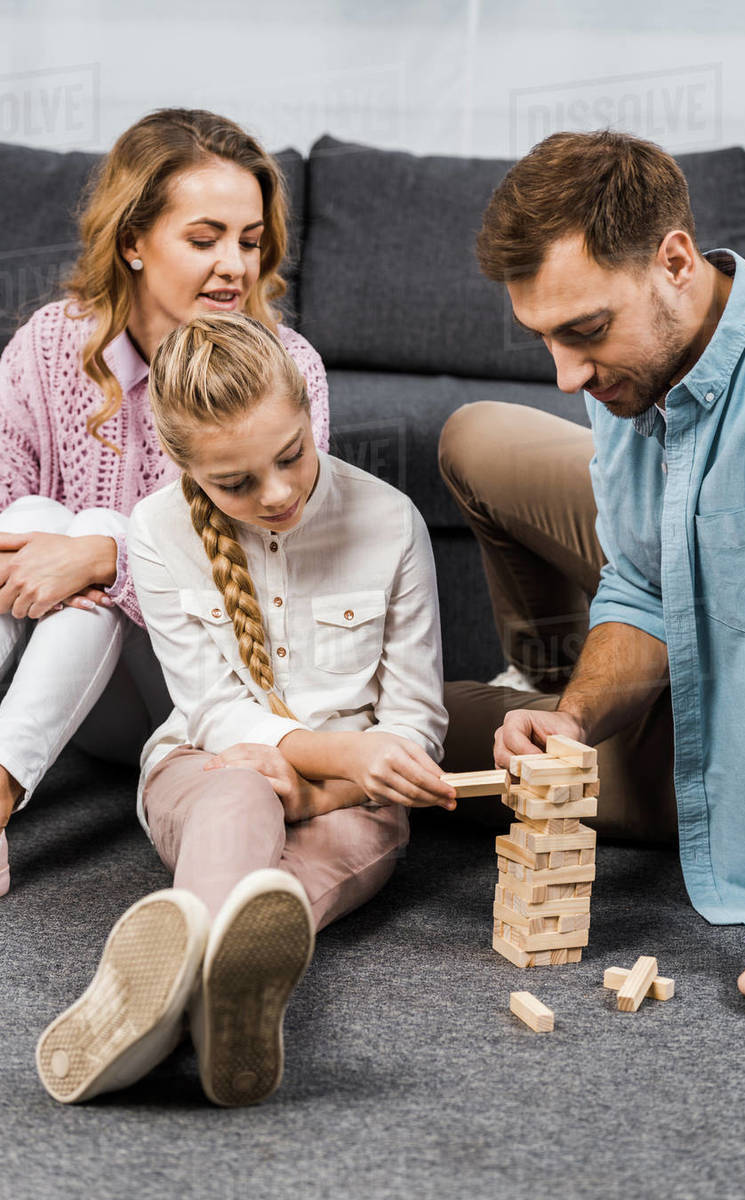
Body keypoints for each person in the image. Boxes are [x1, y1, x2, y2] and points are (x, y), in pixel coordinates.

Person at [36, 312, 452, 1107]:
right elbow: (214, 713)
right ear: (183, 464)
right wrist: (322, 758)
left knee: (284, 883)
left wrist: (325, 784)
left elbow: (415, 722)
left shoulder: (391, 521)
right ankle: (211, 1006)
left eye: (291, 456)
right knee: (240, 788)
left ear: (307, 412)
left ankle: (166, 1009)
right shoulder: (156, 531)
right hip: (206, 771)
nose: (279, 492)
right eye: (235, 483)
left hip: (353, 802)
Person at [439, 129, 745, 1022]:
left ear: (674, 260)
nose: (563, 375)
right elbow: (642, 589)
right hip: (697, 710)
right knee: (411, 728)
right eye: (543, 339)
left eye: (585, 331)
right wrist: (570, 718)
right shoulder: (628, 380)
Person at [0, 108, 329, 897]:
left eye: (249, 242)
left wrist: (110, 560)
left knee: (102, 534)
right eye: (204, 238)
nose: (234, 267)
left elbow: (277, 580)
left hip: (196, 695)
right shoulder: (49, 344)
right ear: (133, 243)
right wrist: (83, 556)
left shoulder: (288, 368)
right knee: (32, 522)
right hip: (71, 700)